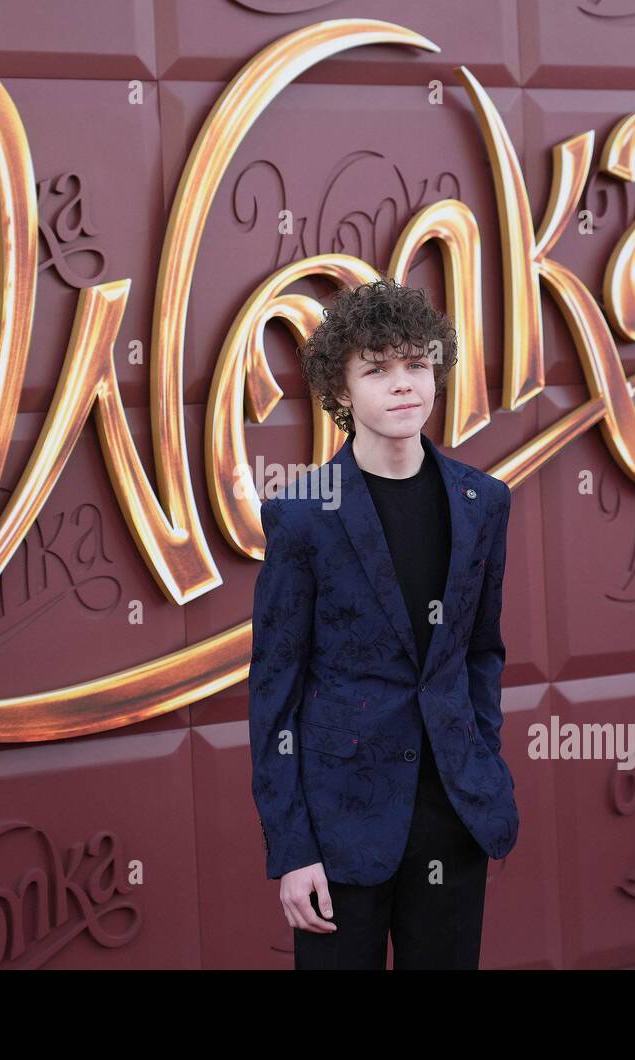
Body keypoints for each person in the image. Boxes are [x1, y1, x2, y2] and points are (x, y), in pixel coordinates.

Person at [248, 277, 517, 970]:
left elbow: (481, 653)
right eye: (377, 370)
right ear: (340, 391)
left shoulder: (483, 502)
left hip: (453, 814)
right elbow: (274, 691)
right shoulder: (303, 513)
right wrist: (292, 847)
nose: (402, 386)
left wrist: (482, 762)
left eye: (416, 366)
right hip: (340, 826)